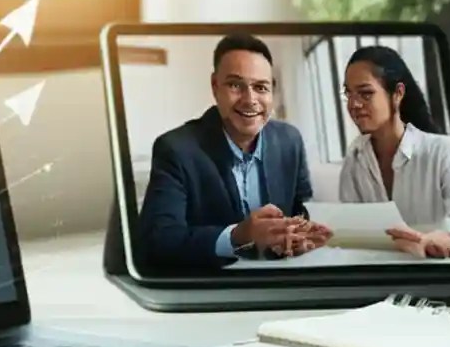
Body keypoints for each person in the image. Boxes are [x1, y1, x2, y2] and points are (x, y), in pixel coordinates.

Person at [137, 34, 332, 269]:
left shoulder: (290, 141)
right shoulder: (176, 149)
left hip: (281, 274)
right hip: (215, 282)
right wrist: (237, 236)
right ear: (215, 87)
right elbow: (158, 242)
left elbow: (304, 210)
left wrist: (299, 235)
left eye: (261, 87)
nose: (250, 100)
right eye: (235, 85)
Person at [338, 45, 450, 258]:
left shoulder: (443, 151)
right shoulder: (355, 158)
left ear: (397, 94)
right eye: (348, 93)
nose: (353, 104)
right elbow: (350, 230)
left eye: (366, 93)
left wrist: (440, 238)